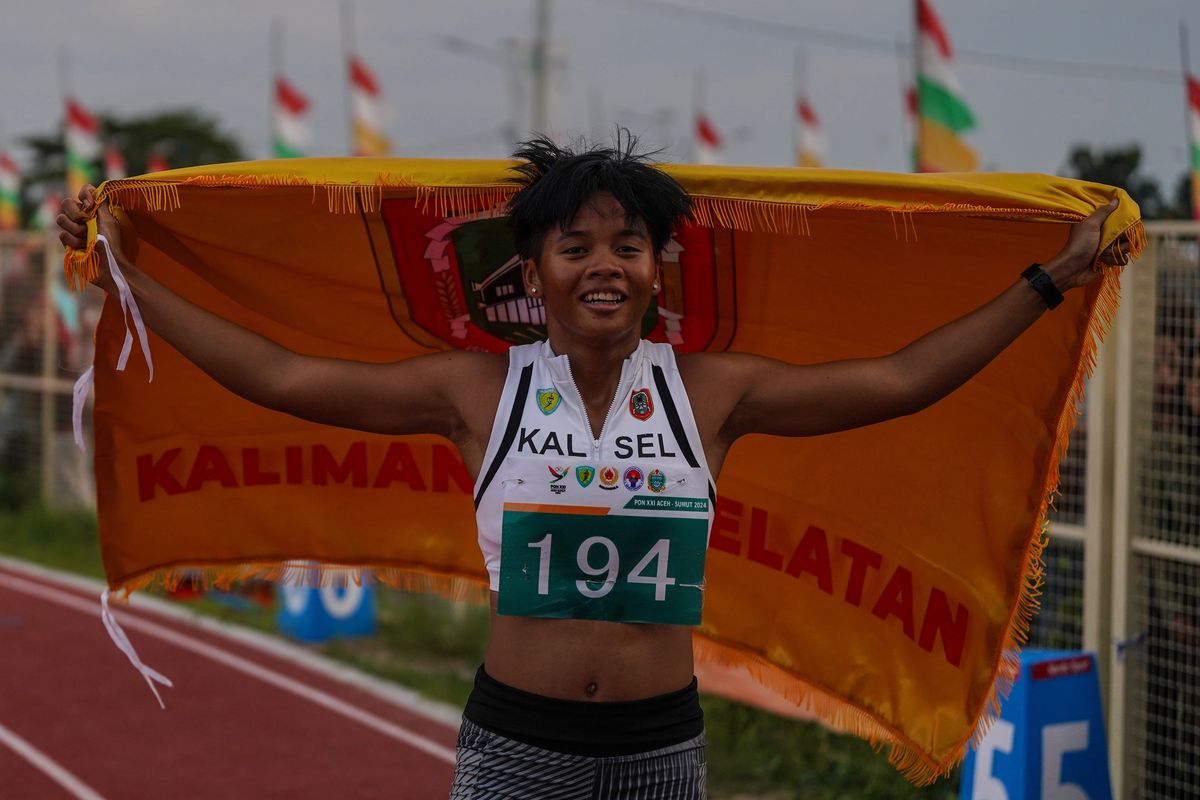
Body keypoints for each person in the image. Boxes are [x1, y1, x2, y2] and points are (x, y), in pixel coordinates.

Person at [57, 136, 1126, 799]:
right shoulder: (476, 390)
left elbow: (897, 380)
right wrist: (121, 284)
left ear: (660, 270)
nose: (604, 265)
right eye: (576, 247)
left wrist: (1049, 278)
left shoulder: (716, 389)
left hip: (659, 752)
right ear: (535, 272)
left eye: (627, 247)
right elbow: (286, 373)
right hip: (518, 749)